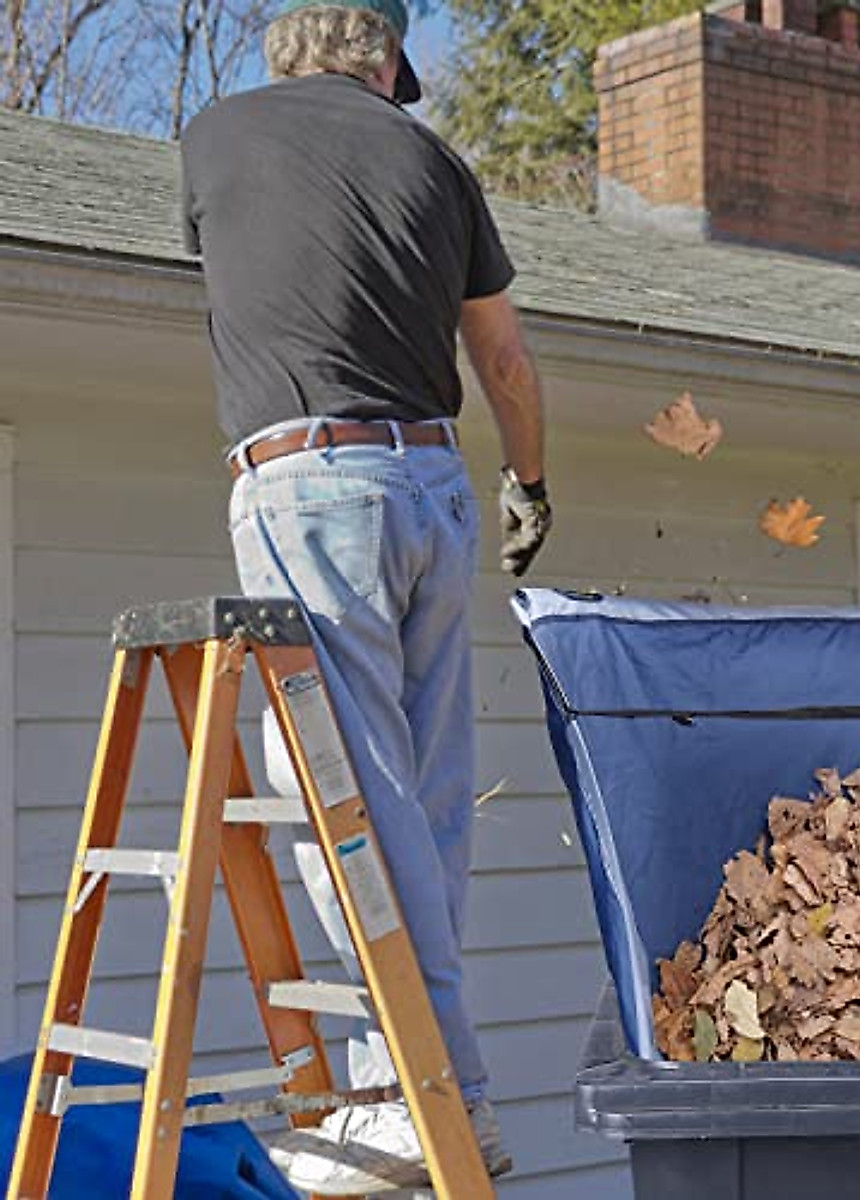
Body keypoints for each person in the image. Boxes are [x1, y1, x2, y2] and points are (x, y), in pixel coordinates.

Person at [180, 0, 552, 1192]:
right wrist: (531, 488)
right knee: (426, 809)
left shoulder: (214, 135)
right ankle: (431, 1090)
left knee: (351, 798)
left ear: (287, 44)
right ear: (386, 57)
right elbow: (503, 357)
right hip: (437, 487)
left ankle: (416, 1093)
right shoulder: (436, 162)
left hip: (311, 485)